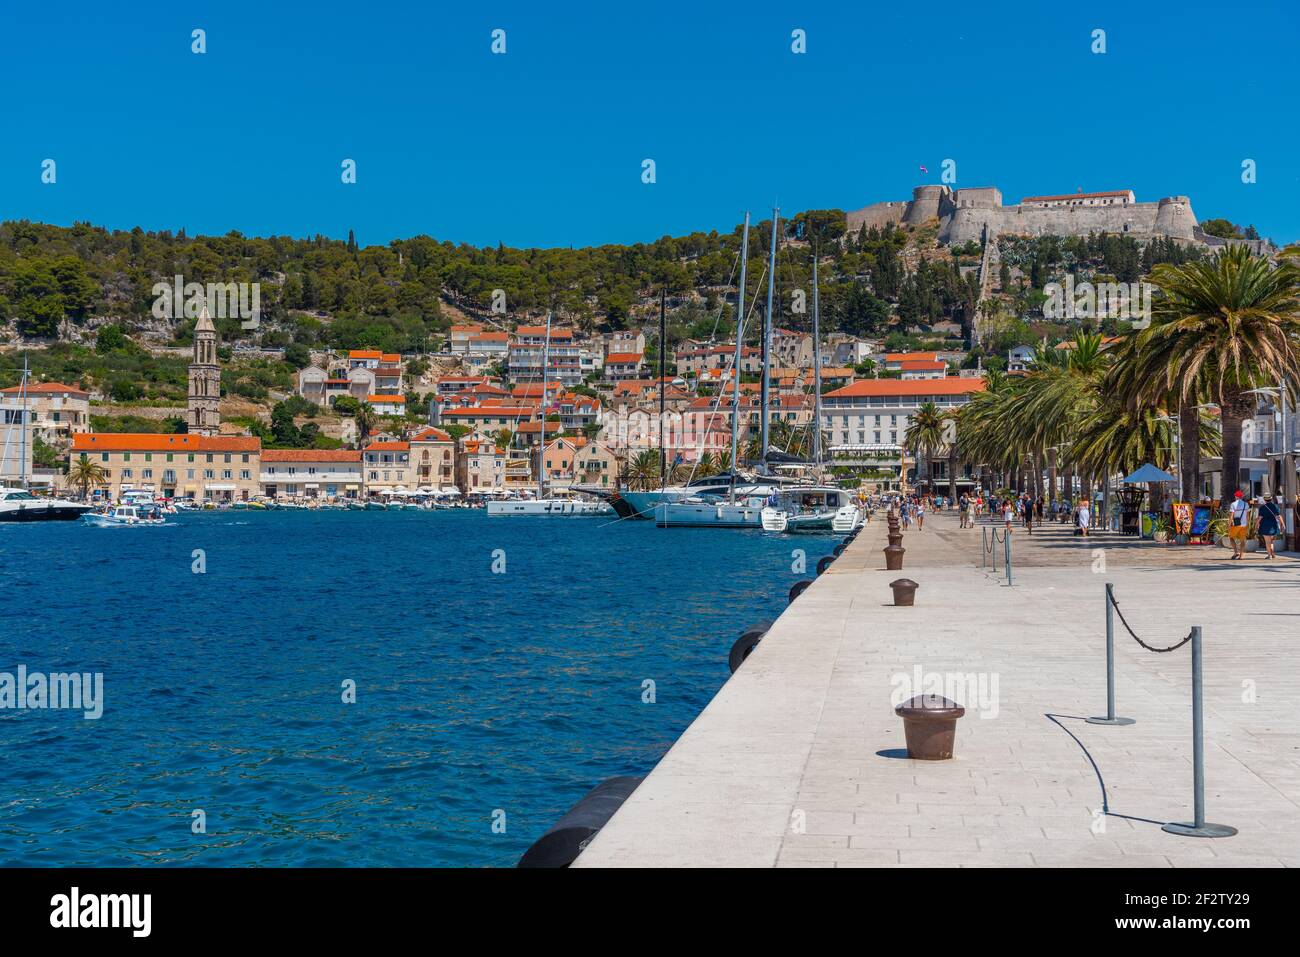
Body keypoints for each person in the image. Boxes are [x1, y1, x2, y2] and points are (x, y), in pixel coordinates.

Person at [1227, 489, 1250, 560]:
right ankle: (1241, 555)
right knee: (1242, 540)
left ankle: (1236, 552)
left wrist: (1229, 524)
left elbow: (1231, 515)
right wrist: (1248, 523)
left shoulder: (1233, 504)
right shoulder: (1246, 504)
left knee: (1231, 537)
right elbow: (1247, 515)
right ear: (1241, 497)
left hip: (1236, 524)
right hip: (1244, 524)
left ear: (1236, 496)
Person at [1257, 493, 1282, 559]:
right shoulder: (1275, 506)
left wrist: (1256, 525)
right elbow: (1278, 516)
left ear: (1264, 499)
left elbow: (1259, 518)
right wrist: (1282, 524)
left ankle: (1269, 555)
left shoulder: (1262, 507)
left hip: (1265, 525)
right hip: (1273, 525)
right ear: (1271, 499)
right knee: (1271, 541)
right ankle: (1272, 554)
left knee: (1267, 541)